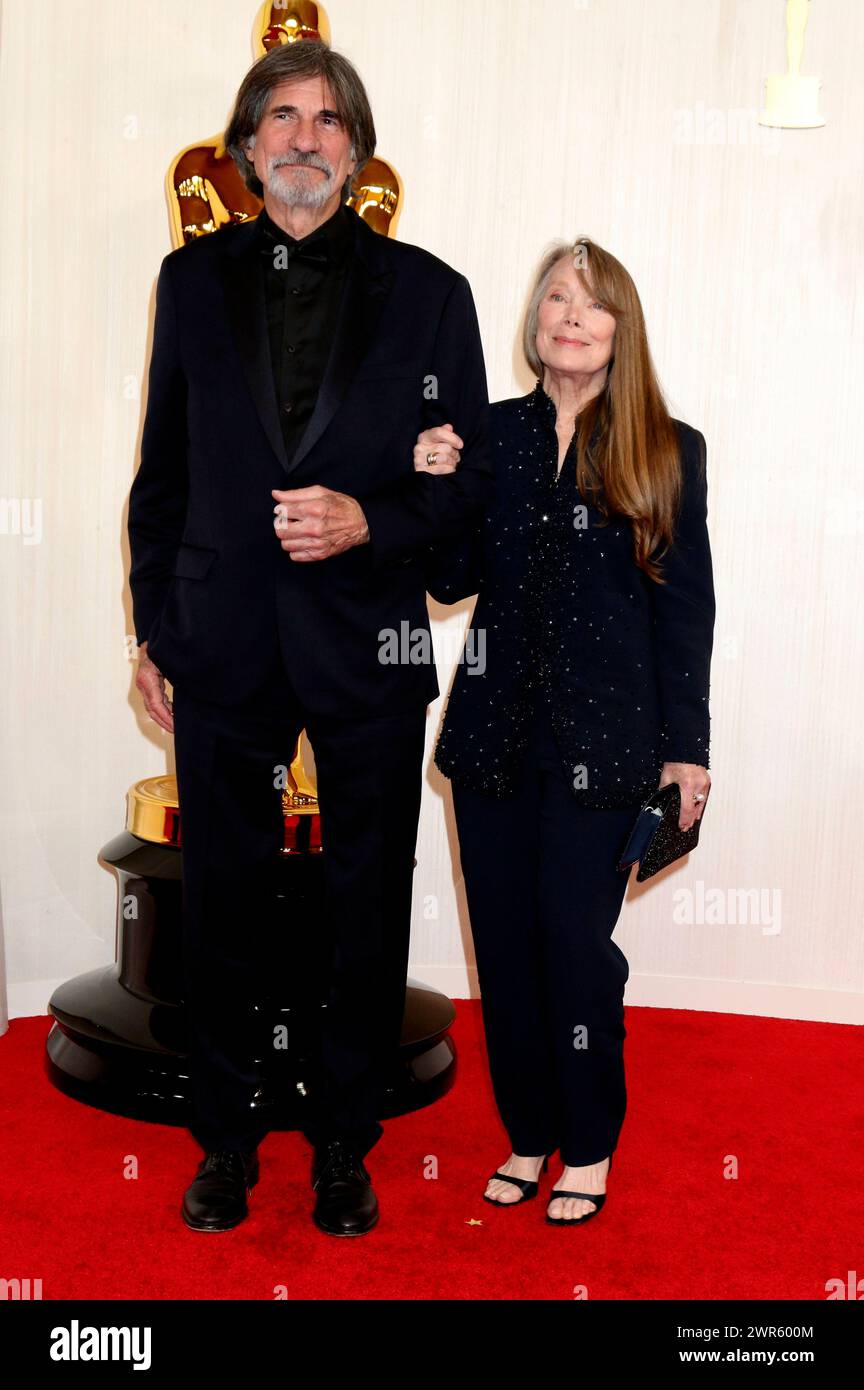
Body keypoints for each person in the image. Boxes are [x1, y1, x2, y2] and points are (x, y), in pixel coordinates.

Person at [127, 40, 491, 1237]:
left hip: (370, 640)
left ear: (358, 149)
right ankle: (225, 1137)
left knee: (364, 897)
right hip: (221, 635)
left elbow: (457, 496)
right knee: (222, 897)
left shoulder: (436, 296)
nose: (303, 137)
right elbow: (163, 471)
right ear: (245, 151)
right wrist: (152, 627)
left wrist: (368, 519)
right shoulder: (187, 286)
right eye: (281, 116)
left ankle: (345, 1137)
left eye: (328, 119)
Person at [419, 237, 715, 1225]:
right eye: (554, 299)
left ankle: (587, 1144)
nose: (570, 316)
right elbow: (450, 578)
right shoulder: (494, 436)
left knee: (572, 944)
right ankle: (529, 1132)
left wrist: (689, 751)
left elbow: (686, 612)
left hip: (608, 744)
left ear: (622, 330)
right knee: (502, 950)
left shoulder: (666, 449)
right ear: (534, 324)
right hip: (494, 737)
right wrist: (436, 479)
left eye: (592, 303)